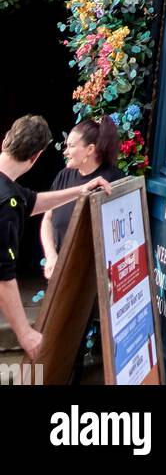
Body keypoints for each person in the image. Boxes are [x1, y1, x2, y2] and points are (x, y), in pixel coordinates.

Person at [0, 114, 114, 362]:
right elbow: (3, 279)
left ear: (5, 141)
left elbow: (34, 202)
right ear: (36, 157)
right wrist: (25, 333)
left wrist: (82, 189)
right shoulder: (6, 203)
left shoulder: (12, 193)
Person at [41, 117, 124, 278]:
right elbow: (47, 219)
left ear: (90, 149)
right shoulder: (63, 176)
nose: (65, 151)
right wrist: (51, 255)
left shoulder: (114, 180)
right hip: (61, 273)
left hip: (94, 281)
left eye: (71, 146)